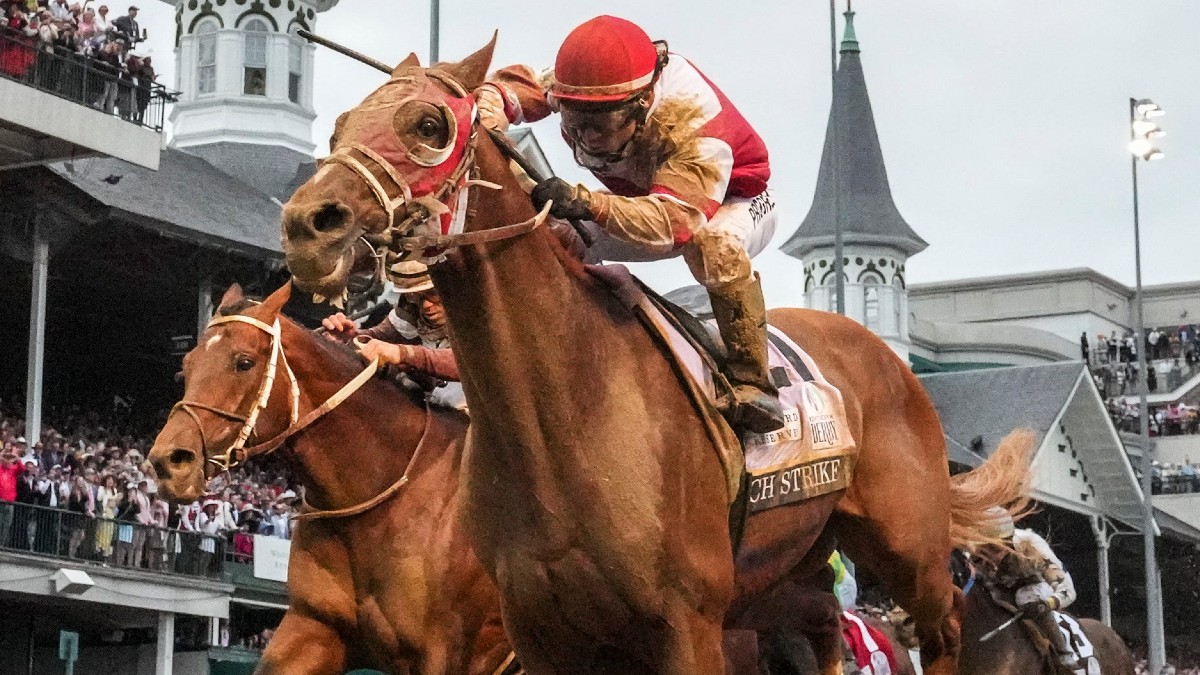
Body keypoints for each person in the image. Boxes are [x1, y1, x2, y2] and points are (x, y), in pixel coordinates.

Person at [476, 15, 783, 432]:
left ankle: (754, 382)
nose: (585, 137)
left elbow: (673, 226)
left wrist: (588, 201)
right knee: (558, 238)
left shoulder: (696, 124)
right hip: (646, 198)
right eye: (573, 120)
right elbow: (513, 87)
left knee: (713, 245)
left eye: (599, 125)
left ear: (641, 104)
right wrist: (487, 108)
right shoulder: (590, 89)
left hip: (733, 201)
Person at [322, 261, 466, 411]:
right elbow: (379, 337)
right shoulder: (411, 310)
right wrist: (350, 338)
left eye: (433, 293)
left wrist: (403, 353)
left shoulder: (480, 316)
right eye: (416, 296)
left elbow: (473, 362)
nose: (425, 306)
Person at [982, 508, 1080, 674]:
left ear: (1009, 540)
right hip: (1000, 589)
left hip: (1036, 587)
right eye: (987, 548)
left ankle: (1064, 654)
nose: (992, 556)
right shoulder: (974, 549)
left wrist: (1046, 604)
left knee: (1025, 596)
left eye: (997, 549)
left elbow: (1068, 590)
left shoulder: (1031, 545)